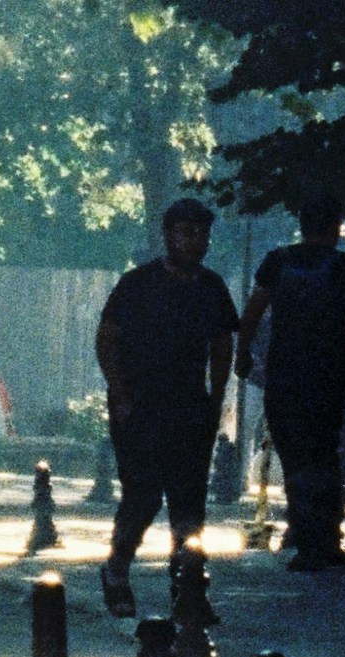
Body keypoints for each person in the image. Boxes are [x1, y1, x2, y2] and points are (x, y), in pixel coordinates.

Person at [96, 195, 240, 613]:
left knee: (189, 499)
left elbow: (222, 345)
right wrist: (119, 391)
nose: (197, 242)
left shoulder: (212, 288)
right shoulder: (137, 284)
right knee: (142, 496)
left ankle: (188, 585)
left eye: (203, 234)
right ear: (169, 235)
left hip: (189, 406)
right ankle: (117, 569)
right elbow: (107, 338)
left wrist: (215, 402)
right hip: (138, 405)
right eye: (188, 233)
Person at [238, 194, 345, 572]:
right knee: (324, 455)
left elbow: (252, 312)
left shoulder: (278, 263)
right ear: (335, 228)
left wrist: (243, 352)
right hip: (329, 377)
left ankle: (304, 533)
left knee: (294, 457)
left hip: (284, 376)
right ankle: (325, 537)